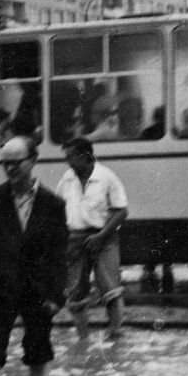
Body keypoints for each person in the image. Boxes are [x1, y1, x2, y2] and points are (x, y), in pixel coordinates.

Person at [0, 136, 68, 376]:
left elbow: (59, 255)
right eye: (6, 163)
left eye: (17, 162)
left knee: (38, 353)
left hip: (37, 290)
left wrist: (56, 296)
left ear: (33, 160)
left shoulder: (53, 204)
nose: (11, 168)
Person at [56, 137, 129, 338]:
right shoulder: (67, 178)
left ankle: (115, 333)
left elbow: (121, 211)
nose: (67, 161)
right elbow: (57, 209)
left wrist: (101, 236)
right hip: (74, 239)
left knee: (111, 289)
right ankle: (83, 339)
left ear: (84, 156)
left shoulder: (107, 177)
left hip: (105, 238)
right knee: (75, 293)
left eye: (70, 156)